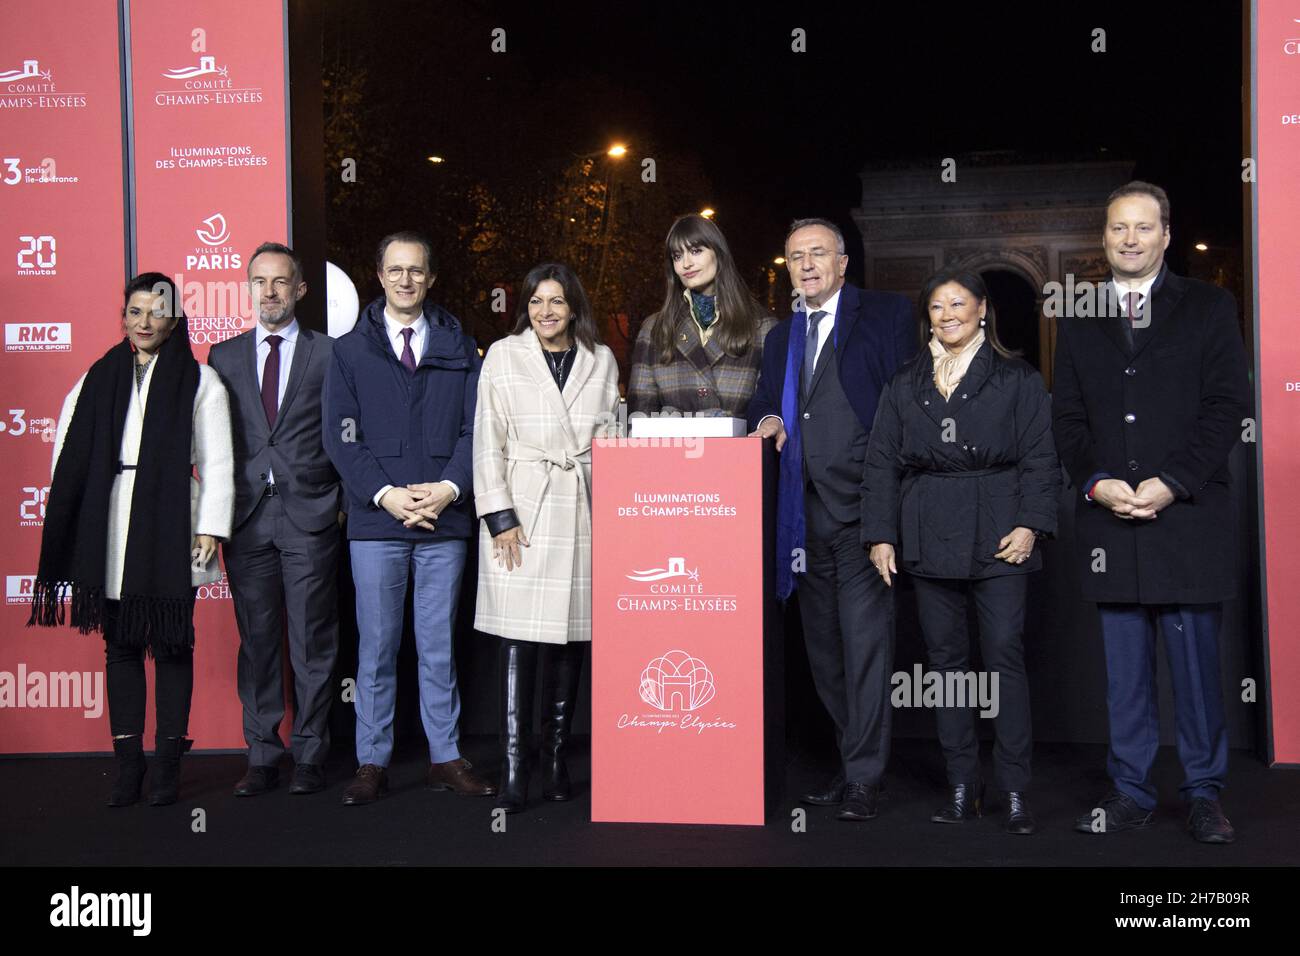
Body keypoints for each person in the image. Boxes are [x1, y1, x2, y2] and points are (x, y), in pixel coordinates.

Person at [1052, 181, 1251, 843]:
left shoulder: (1209, 306)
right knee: (1126, 676)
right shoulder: (1079, 316)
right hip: (1111, 522)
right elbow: (1069, 419)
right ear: (1104, 237)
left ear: (1166, 235)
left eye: (1143, 228)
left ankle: (1203, 795)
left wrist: (1172, 482)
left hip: (1187, 520)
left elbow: (1227, 407)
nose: (1130, 239)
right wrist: (1096, 482)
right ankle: (1131, 791)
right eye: (1118, 228)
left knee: (1196, 678)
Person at [862, 267, 1060, 834]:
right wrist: (880, 534)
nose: (947, 315)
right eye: (936, 307)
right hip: (927, 532)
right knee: (946, 668)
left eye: (958, 305)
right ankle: (961, 786)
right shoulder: (904, 382)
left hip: (1001, 532)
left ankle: (1016, 789)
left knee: (1003, 658)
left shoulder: (1018, 378)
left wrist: (1031, 525)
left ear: (981, 309)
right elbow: (880, 462)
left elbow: (1041, 459)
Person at [29, 272, 233, 806]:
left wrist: (211, 527)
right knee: (119, 646)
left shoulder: (200, 380)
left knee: (170, 643)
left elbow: (218, 461)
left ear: (175, 318)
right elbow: (66, 454)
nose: (145, 323)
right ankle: (128, 766)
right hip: (110, 522)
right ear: (124, 316)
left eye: (156, 312)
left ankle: (167, 765)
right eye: (135, 312)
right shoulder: (97, 377)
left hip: (173, 528)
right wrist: (76, 516)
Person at [748, 218, 915, 821]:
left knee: (867, 648)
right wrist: (767, 419)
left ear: (843, 263)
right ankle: (853, 768)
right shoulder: (779, 337)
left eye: (819, 254)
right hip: (803, 518)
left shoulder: (888, 315)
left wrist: (888, 516)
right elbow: (766, 400)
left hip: (867, 516)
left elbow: (904, 402)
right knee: (825, 653)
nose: (807, 264)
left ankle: (866, 778)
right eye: (796, 256)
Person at [323, 230, 495, 805]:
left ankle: (444, 758)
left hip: (444, 522)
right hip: (377, 525)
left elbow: (478, 431)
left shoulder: (459, 345)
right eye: (395, 270)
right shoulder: (349, 351)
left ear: (431, 278)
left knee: (438, 646)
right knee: (375, 647)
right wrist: (385, 495)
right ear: (379, 275)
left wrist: (449, 488)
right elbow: (341, 436)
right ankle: (372, 761)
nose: (405, 280)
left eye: (416, 271)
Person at [472, 263, 620, 813]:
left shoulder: (601, 359)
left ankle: (555, 757)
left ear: (574, 307)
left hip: (583, 508)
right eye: (536, 302)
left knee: (571, 635)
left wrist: (618, 512)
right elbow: (487, 439)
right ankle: (516, 765)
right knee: (520, 636)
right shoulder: (503, 356)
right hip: (523, 510)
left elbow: (611, 437)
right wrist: (498, 514)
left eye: (556, 302)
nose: (546, 312)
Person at [208, 242, 341, 797]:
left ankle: (310, 754)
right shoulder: (222, 356)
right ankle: (262, 754)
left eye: (281, 282)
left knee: (312, 641)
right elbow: (211, 440)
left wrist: (338, 503)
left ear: (300, 290)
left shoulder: (330, 354)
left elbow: (343, 435)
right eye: (260, 281)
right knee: (258, 640)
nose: (269, 291)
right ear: (249, 287)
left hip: (309, 514)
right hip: (246, 519)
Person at [628, 213, 775, 419]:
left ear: (719, 253)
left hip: (739, 450)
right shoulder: (654, 329)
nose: (686, 263)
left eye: (696, 251)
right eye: (677, 256)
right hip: (671, 450)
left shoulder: (762, 326)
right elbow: (640, 416)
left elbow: (769, 409)